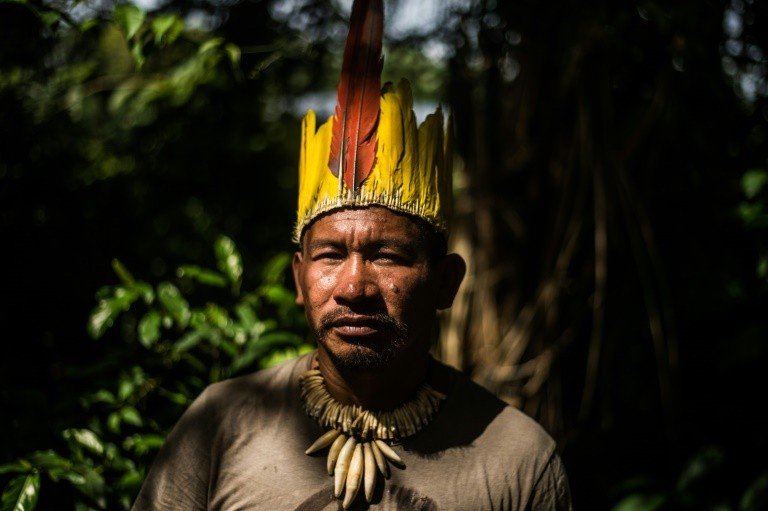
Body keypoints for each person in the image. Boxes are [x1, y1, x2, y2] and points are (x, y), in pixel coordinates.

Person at [132, 0, 572, 509]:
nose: (354, 287)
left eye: (388, 256)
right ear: (299, 279)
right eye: (330, 255)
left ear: (447, 282)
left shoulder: (519, 458)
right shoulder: (220, 424)